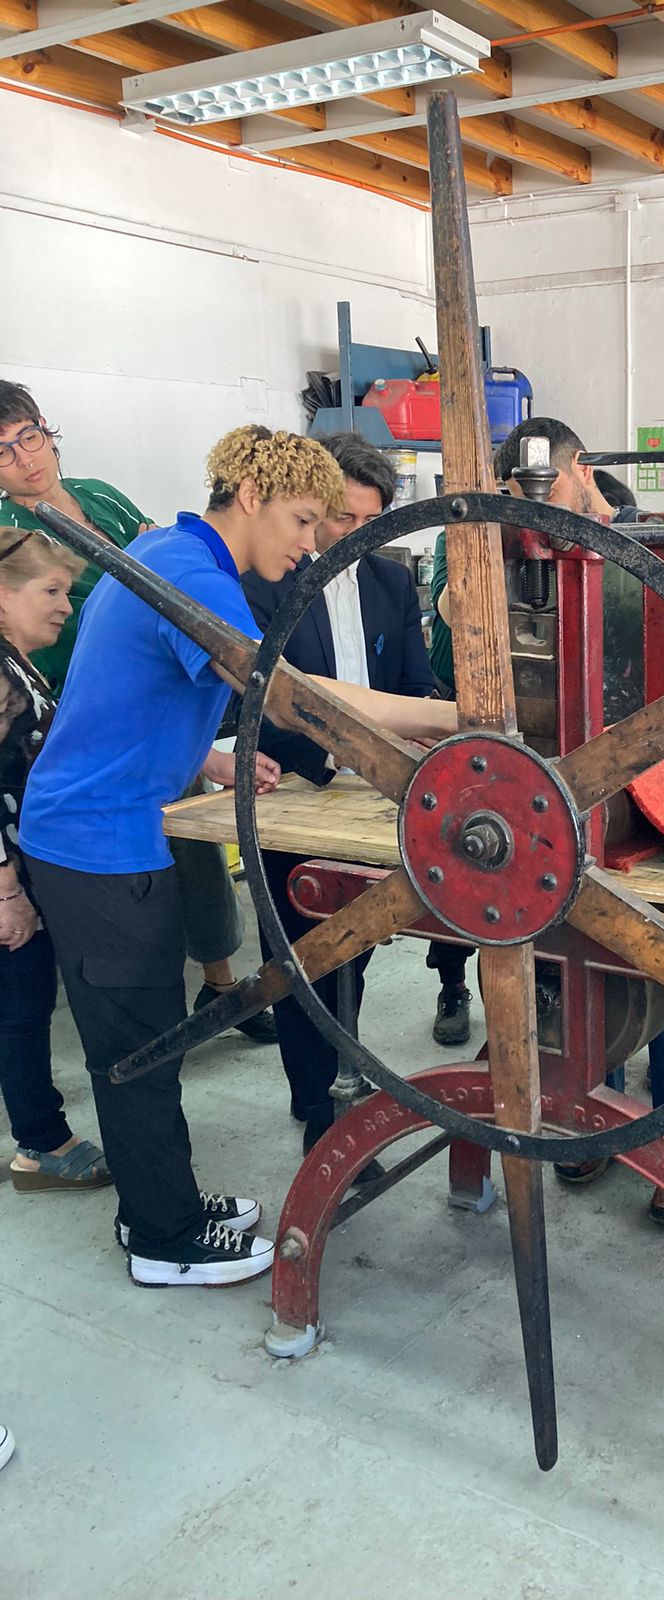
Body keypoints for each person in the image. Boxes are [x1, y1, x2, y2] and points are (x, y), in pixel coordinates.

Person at [18, 426, 457, 1288]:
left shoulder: (174, 552)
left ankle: (160, 1200)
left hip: (124, 827)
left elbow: (142, 700)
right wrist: (448, 719)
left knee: (147, 1036)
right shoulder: (189, 571)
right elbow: (288, 699)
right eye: (301, 519)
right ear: (251, 492)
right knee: (137, 1046)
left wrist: (210, 758)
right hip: (96, 842)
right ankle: (163, 1238)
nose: (307, 544)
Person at [435, 416, 664, 1227]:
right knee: (549, 977)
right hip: (545, 803)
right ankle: (579, 1129)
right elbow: (459, 658)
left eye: (549, 486)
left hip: (654, 798)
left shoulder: (647, 549)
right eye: (520, 496)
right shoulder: (505, 561)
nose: (539, 508)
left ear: (582, 470)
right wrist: (469, 587)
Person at [0, 380, 275, 1046]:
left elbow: (164, 572)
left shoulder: (98, 496)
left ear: (47, 429)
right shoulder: (11, 537)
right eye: (1, 453)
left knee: (196, 852)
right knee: (119, 862)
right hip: (78, 719)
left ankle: (218, 983)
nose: (23, 460)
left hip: (169, 693)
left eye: (28, 438)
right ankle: (132, 1003)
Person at [242, 432, 443, 1156]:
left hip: (379, 800)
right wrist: (332, 752)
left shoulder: (390, 582)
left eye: (370, 523)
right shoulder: (263, 584)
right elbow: (261, 707)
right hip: (296, 794)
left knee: (356, 951)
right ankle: (320, 1114)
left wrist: (415, 738)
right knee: (304, 956)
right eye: (340, 520)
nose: (352, 536)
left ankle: (345, 1077)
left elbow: (417, 683)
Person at [0, 528, 109, 1193]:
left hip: (23, 864)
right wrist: (7, 890)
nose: (65, 607)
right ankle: (40, 1143)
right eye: (51, 591)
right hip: (8, 872)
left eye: (67, 592)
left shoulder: (18, 665)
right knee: (22, 1002)